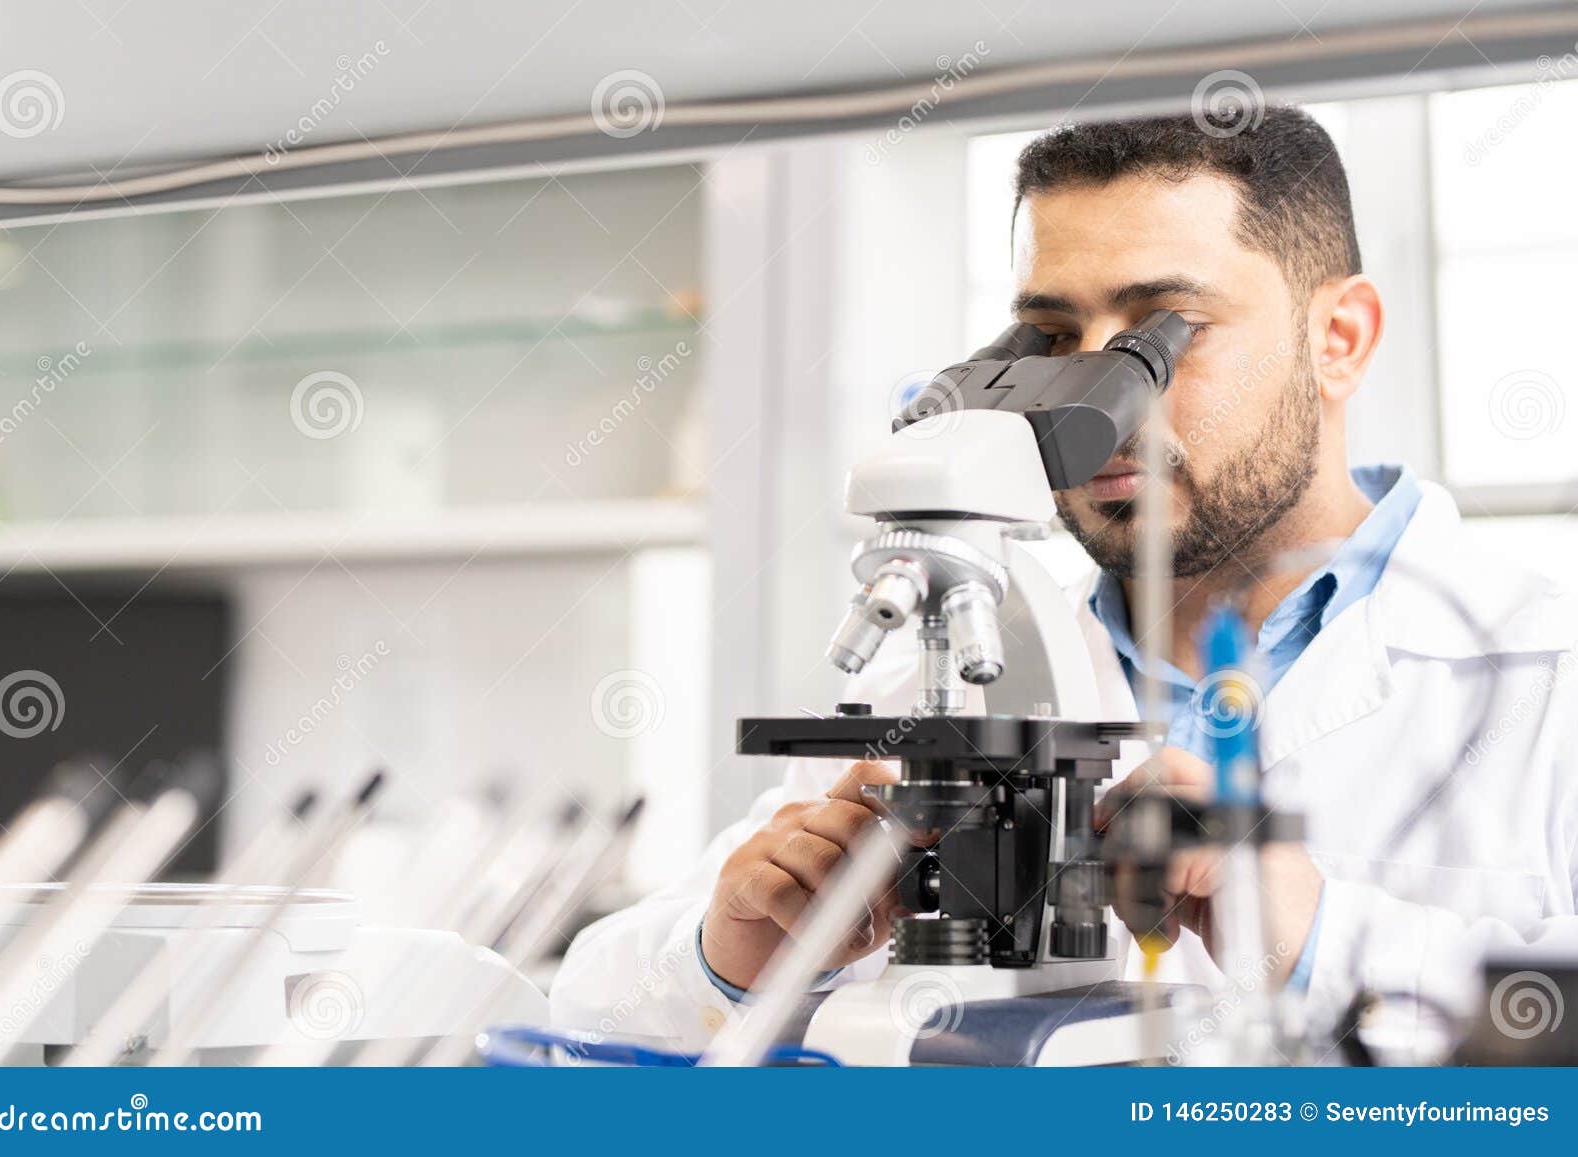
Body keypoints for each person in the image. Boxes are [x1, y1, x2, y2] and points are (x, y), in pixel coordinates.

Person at [550, 107, 1578, 1051]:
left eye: (1160, 333)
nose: (1095, 399)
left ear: (1337, 339)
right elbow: (584, 1006)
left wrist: (1319, 932)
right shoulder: (960, 664)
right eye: (1050, 340)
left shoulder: (1544, 677)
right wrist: (730, 955)